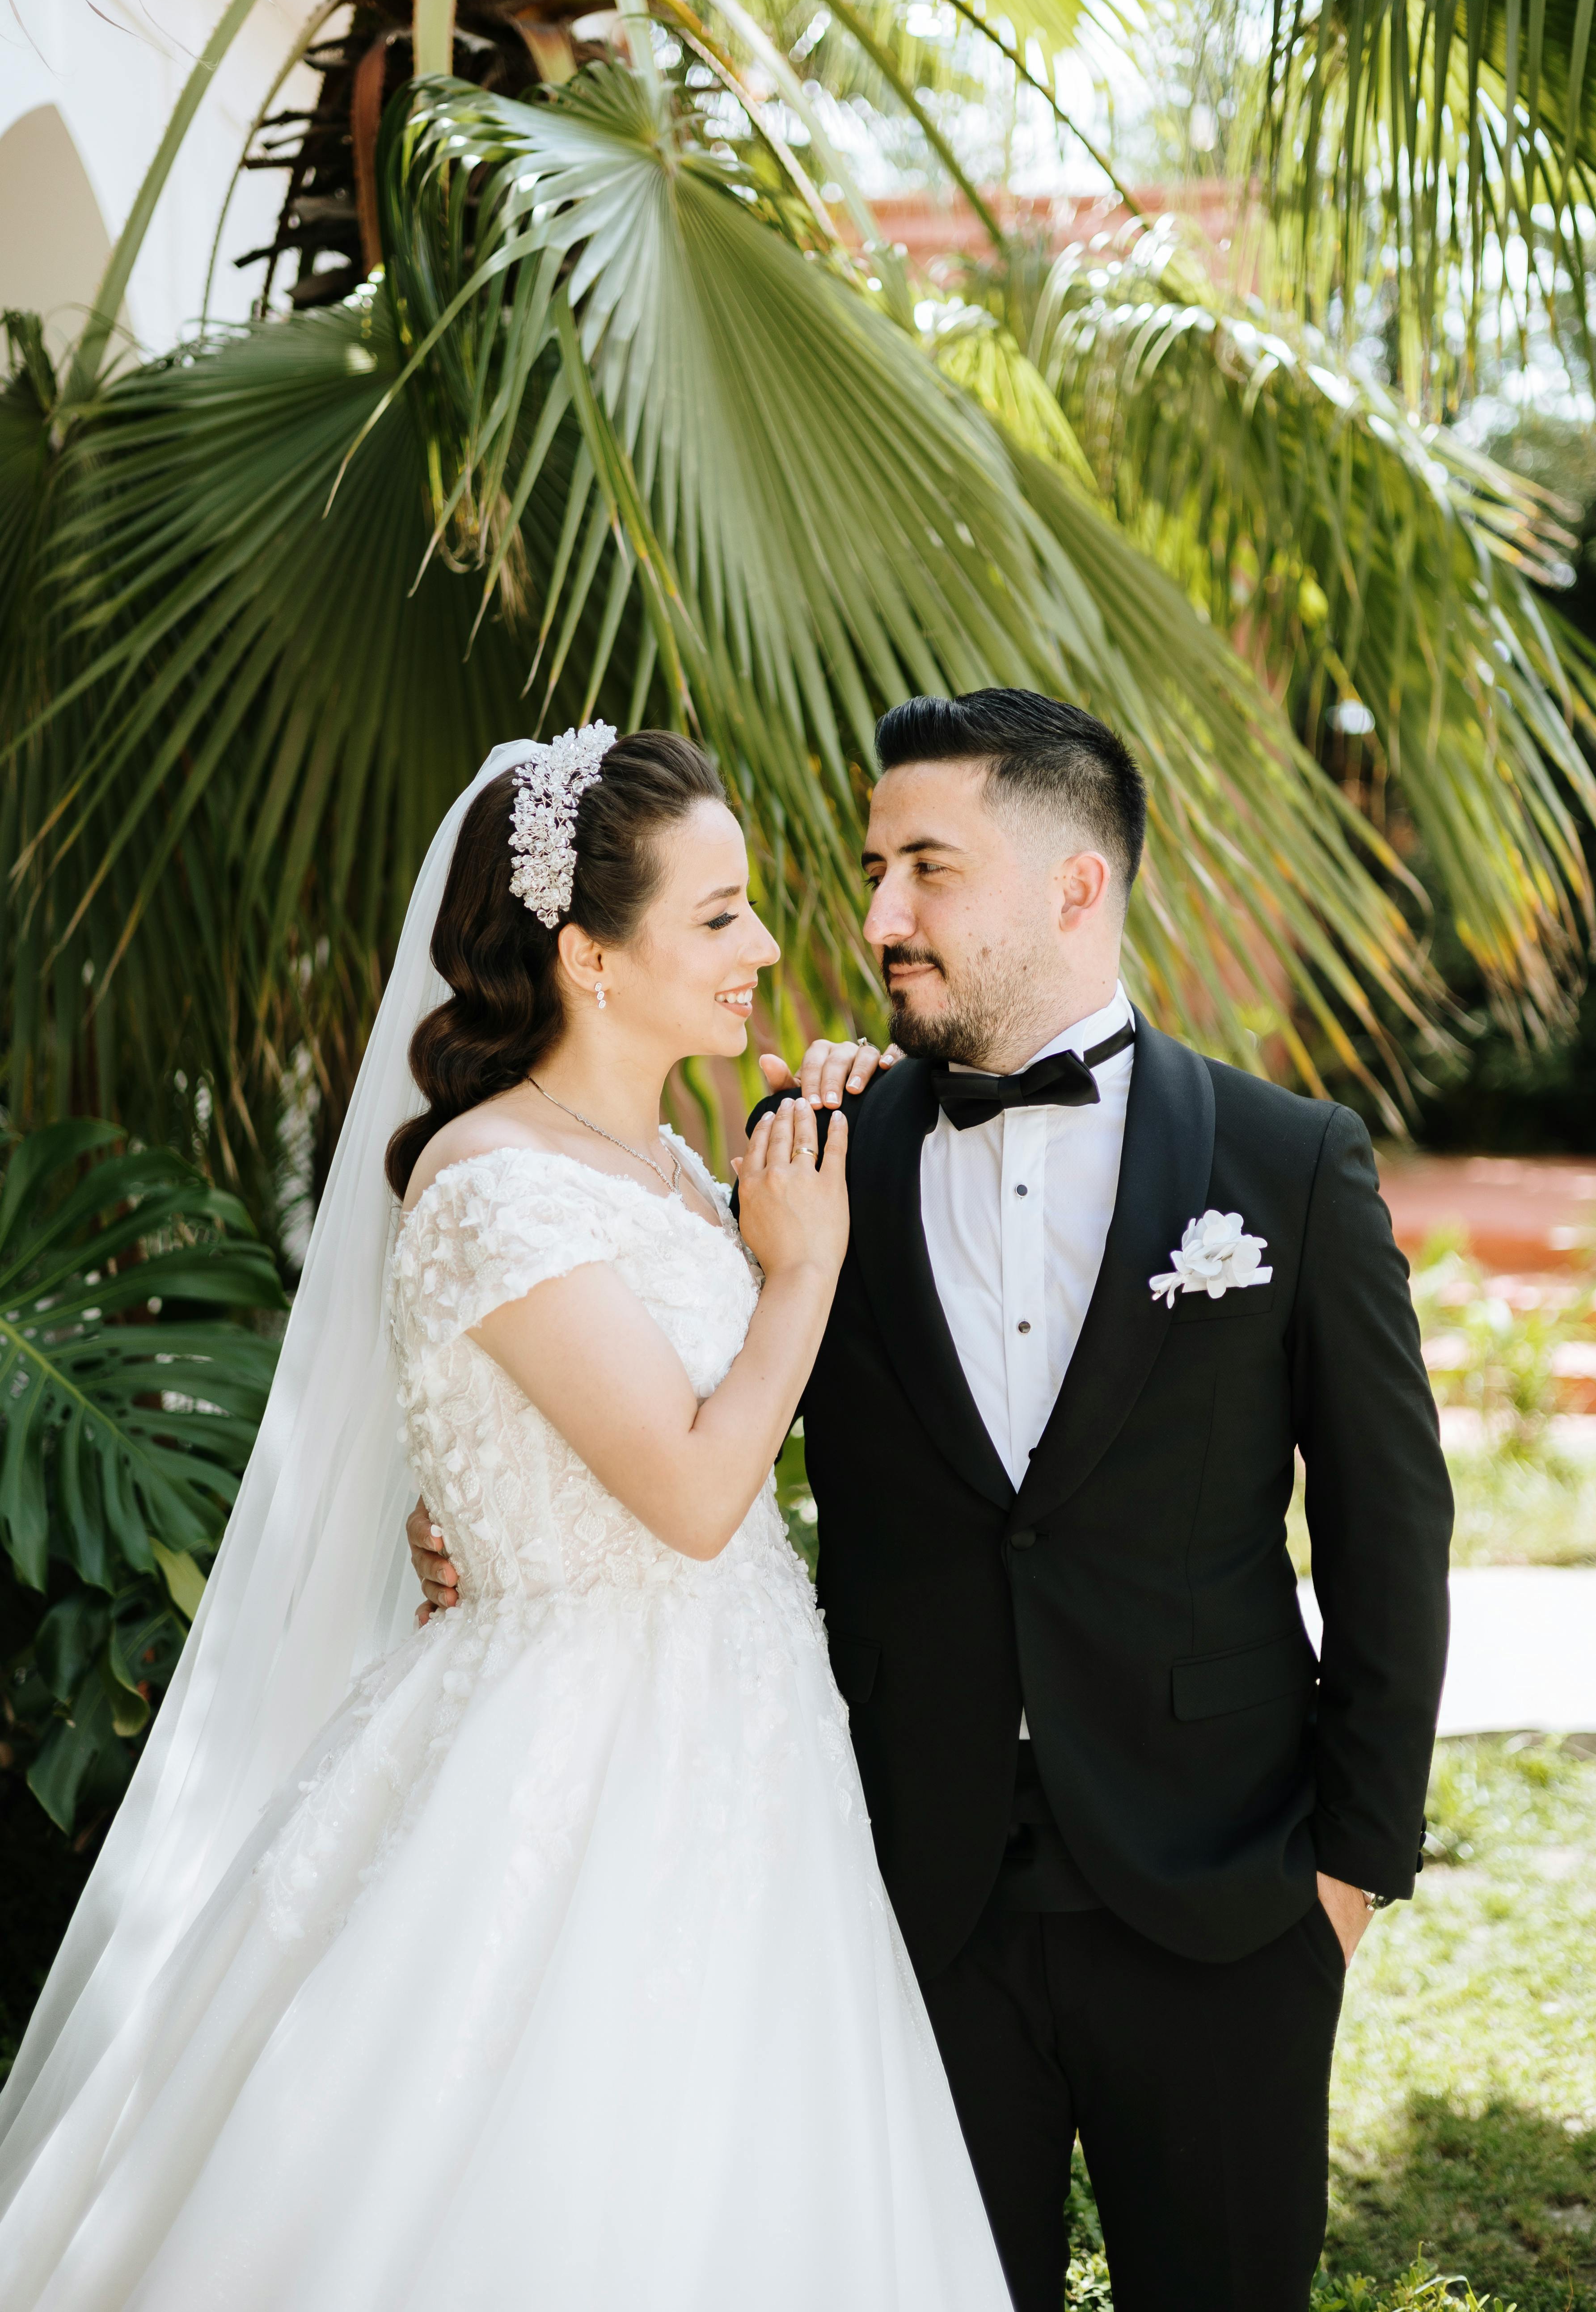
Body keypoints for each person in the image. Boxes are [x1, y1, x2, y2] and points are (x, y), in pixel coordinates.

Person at [413, 688, 1455, 2312]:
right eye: (873, 866)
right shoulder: (802, 1157)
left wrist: (1349, 1875)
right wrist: (478, 1524)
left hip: (1229, 1897)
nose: (879, 915)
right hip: (906, 1896)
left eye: (928, 869)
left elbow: (1396, 1540)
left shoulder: (1289, 1162)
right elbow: (680, 1410)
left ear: (1072, 889)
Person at [0, 730, 1013, 2311]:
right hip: (575, 1743)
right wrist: (801, 1268)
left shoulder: (675, 1164)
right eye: (722, 915)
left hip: (742, 1733)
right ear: (592, 958)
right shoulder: (491, 1181)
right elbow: (686, 1493)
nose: (766, 946)